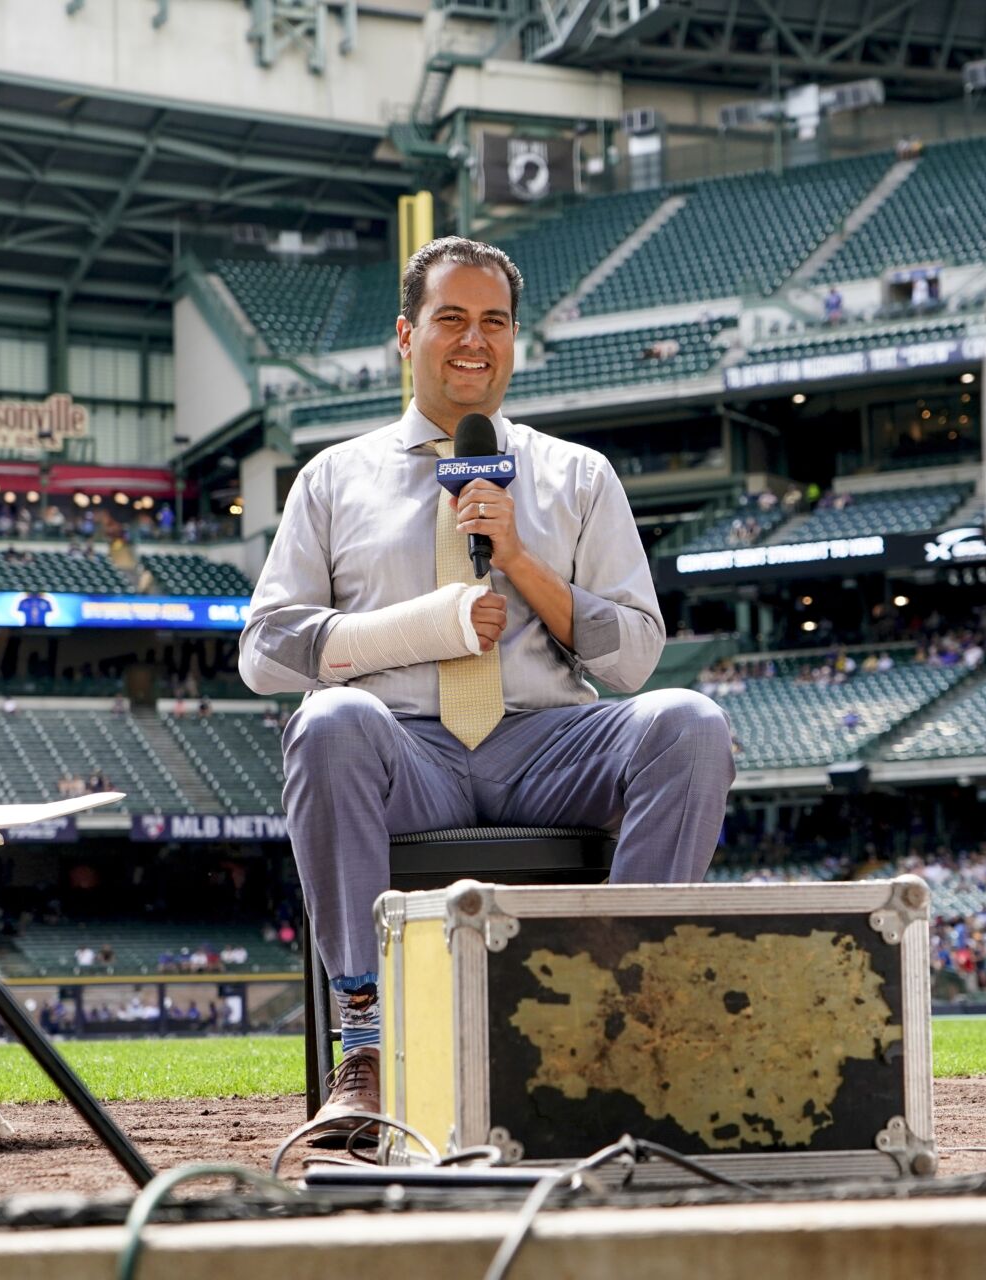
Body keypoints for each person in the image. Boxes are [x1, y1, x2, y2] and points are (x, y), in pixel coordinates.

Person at [241, 236, 734, 1131]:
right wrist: (420, 627)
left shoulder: (577, 474)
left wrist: (518, 559)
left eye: (494, 322)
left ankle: (620, 1022)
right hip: (406, 750)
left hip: (547, 740)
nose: (475, 339)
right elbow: (265, 651)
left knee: (689, 722)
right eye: (451, 319)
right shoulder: (333, 477)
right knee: (329, 722)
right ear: (406, 334)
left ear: (514, 340)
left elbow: (633, 658)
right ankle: (368, 1047)